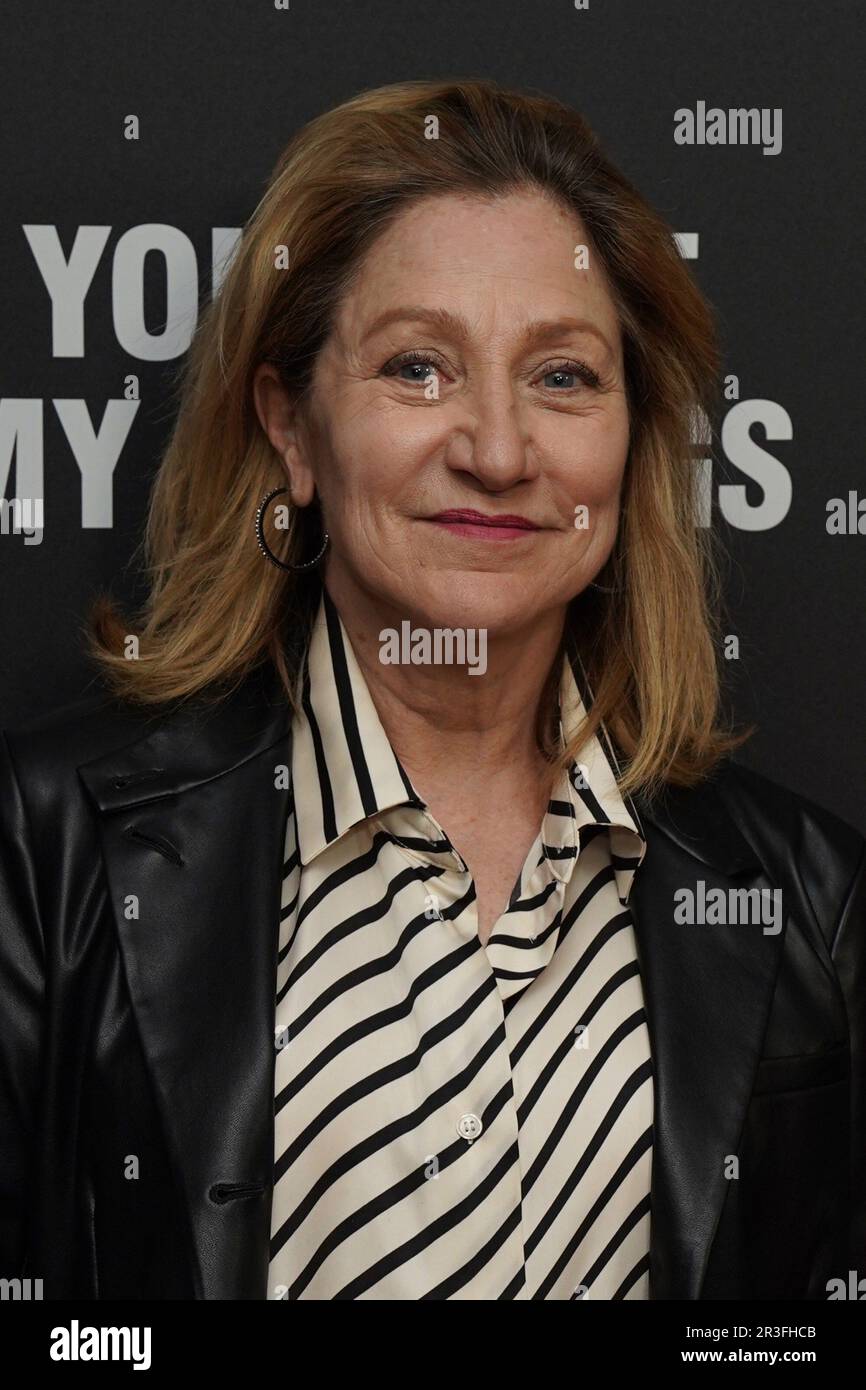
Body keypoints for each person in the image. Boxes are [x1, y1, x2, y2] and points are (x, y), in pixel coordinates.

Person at [1, 78, 863, 1301]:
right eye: (418, 368)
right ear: (292, 429)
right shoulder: (48, 851)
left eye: (562, 377)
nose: (498, 449)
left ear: (633, 437)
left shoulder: (804, 900)